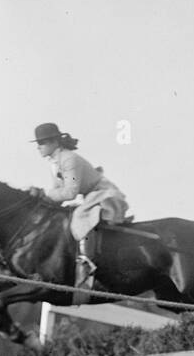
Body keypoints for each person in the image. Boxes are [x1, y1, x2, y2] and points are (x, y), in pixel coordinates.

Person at [28, 123, 129, 287]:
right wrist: (39, 200)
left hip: (104, 194)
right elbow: (57, 193)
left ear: (55, 142)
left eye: (42, 142)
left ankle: (86, 262)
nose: (38, 147)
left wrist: (42, 193)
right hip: (90, 195)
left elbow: (69, 192)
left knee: (80, 216)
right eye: (38, 143)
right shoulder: (54, 162)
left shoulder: (69, 159)